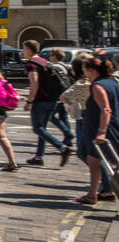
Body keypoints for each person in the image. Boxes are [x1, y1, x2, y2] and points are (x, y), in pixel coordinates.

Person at [74, 56, 119, 205]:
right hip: (109, 125)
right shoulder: (113, 82)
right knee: (94, 162)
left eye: (84, 70)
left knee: (106, 161)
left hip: (102, 127)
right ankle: (92, 195)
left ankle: (109, 188)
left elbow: (105, 109)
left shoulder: (97, 86)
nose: (84, 74)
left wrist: (102, 131)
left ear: (91, 70)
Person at [22, 39, 72, 167]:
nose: (23, 51)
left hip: (41, 99)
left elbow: (34, 82)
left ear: (28, 49)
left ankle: (62, 148)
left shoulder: (31, 64)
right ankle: (39, 157)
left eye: (24, 49)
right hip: (52, 98)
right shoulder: (43, 61)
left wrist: (29, 100)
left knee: (38, 128)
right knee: (42, 129)